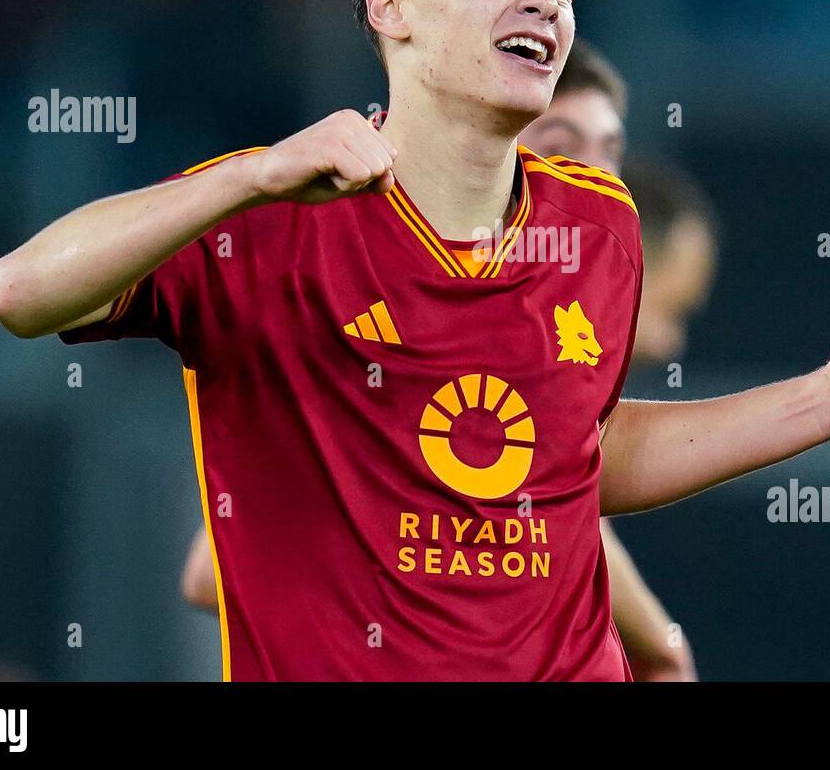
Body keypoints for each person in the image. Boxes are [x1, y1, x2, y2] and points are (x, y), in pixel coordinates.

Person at [0, 0, 830, 681]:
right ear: (387, 8)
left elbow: (582, 457)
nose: (544, 0)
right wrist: (251, 174)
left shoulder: (599, 223)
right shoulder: (266, 214)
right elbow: (21, 294)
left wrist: (825, 398)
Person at [180, 38, 697, 681]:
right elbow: (214, 566)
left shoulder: (559, 309)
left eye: (610, 152)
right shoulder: (376, 300)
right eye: (564, 149)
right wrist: (652, 632)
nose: (595, 178)